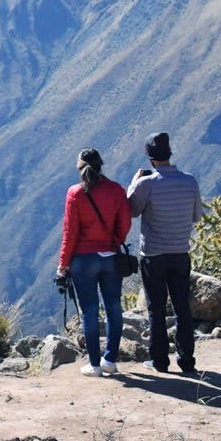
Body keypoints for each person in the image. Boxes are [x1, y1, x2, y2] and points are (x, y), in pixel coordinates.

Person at [126, 131, 205, 375]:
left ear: (150, 159)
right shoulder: (189, 181)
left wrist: (133, 183)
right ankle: (187, 361)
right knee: (182, 308)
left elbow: (131, 211)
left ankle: (160, 361)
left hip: (153, 256)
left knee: (156, 309)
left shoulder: (146, 184)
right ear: (169, 155)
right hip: (180, 253)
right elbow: (197, 216)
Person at [56, 147, 131, 377]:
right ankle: (110, 359)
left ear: (80, 168)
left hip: (82, 260)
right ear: (101, 165)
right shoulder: (117, 191)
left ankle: (95, 365)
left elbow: (70, 233)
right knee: (114, 308)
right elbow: (125, 223)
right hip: (110, 258)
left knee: (89, 312)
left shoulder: (75, 193)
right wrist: (115, 242)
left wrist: (63, 264)